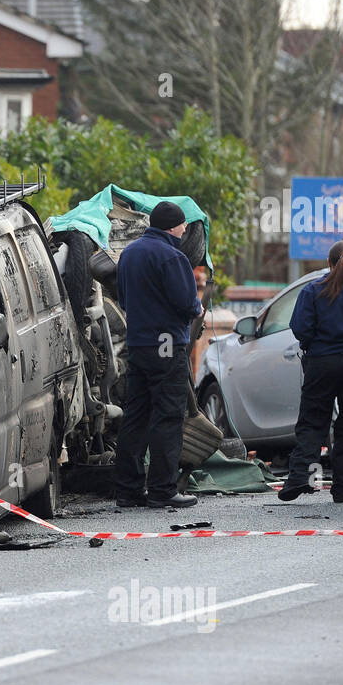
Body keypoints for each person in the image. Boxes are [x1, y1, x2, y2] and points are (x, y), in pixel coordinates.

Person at [114, 201, 203, 509]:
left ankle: (128, 490)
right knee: (167, 414)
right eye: (182, 226)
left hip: (138, 343)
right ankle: (163, 489)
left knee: (135, 415)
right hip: (167, 344)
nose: (184, 231)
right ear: (172, 227)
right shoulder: (172, 256)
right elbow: (186, 303)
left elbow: (123, 298)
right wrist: (197, 308)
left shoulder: (129, 254)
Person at [278, 241, 343, 503]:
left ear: (329, 263)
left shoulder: (312, 290)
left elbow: (300, 327)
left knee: (313, 422)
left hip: (321, 363)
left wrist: (313, 345)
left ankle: (301, 479)